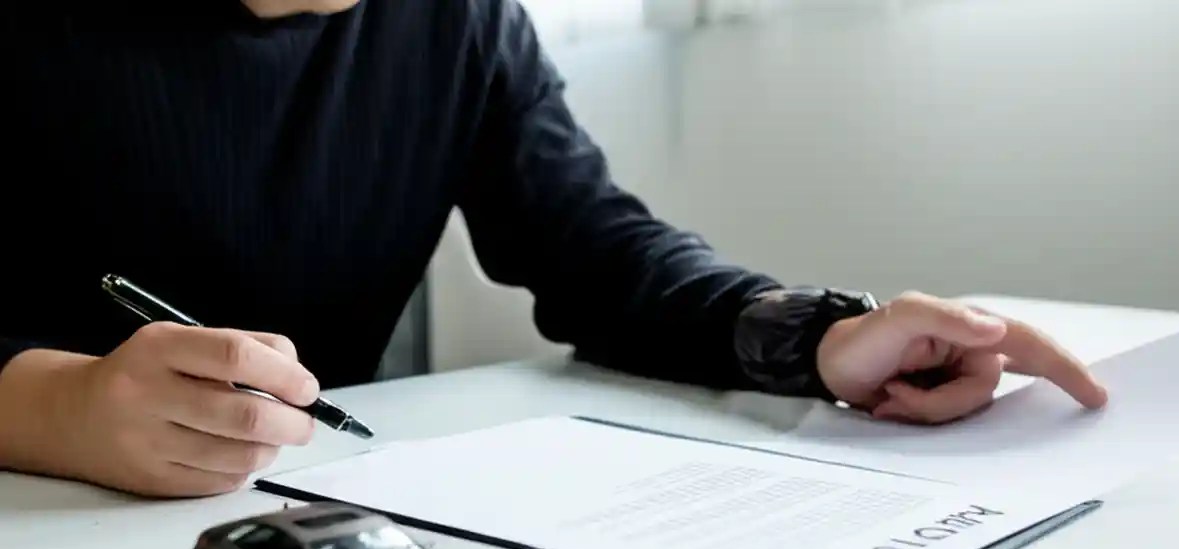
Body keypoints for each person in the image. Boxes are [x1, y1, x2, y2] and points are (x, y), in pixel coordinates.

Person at [0, 0, 1106, 498]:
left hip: (312, 527)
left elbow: (593, 249)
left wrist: (817, 337)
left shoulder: (453, 16)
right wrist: (59, 411)